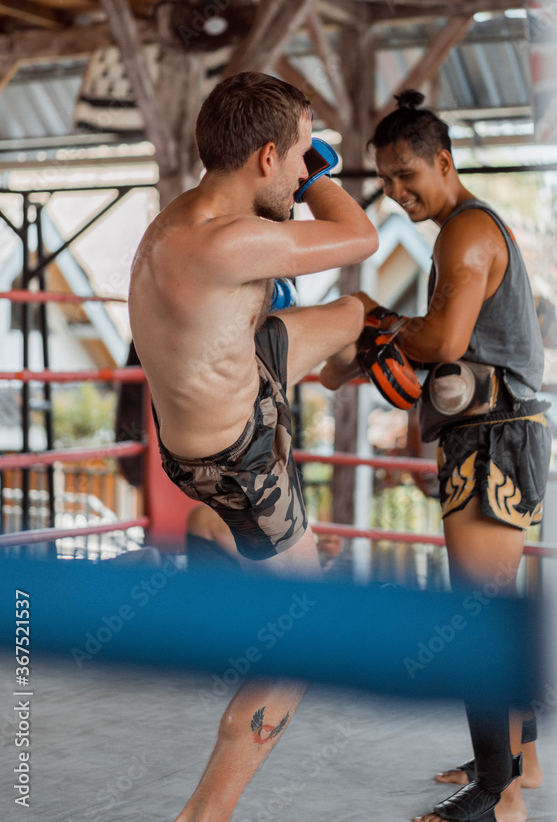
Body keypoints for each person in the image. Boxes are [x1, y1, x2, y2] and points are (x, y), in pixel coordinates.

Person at [128, 70, 378, 822]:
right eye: (301, 155)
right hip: (238, 462)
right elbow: (359, 235)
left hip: (236, 378)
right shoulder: (233, 240)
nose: (306, 170)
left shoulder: (186, 217)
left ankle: (337, 369)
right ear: (266, 158)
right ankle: (204, 816)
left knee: (352, 312)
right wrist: (325, 174)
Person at [322, 90, 551, 822]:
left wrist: (378, 325)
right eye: (384, 180)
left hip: (493, 438)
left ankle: (493, 792)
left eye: (405, 175)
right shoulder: (462, 228)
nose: (395, 192)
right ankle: (522, 762)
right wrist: (385, 333)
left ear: (443, 163)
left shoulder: (465, 231)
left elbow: (446, 343)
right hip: (491, 437)